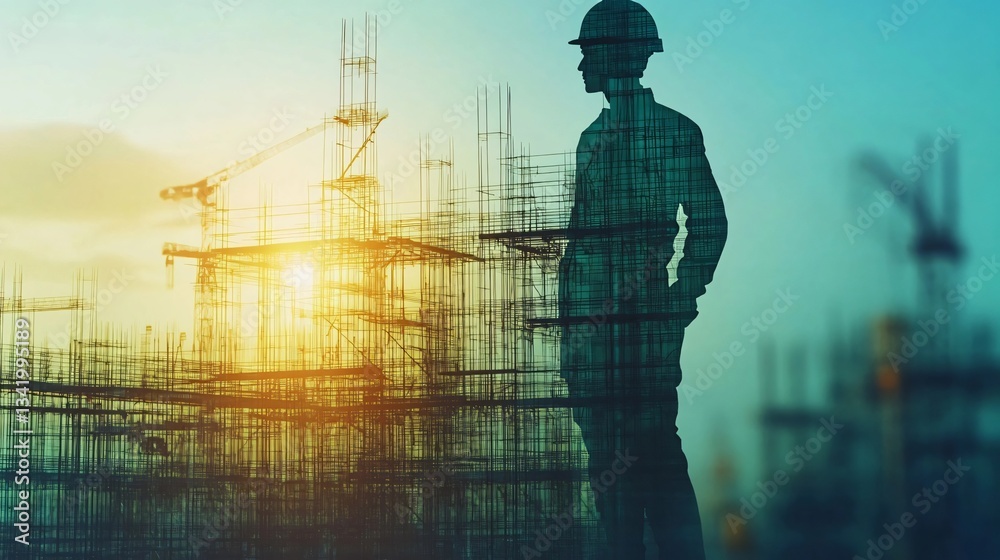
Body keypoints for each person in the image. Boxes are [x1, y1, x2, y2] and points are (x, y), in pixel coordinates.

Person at [557, 1, 728, 558]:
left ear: (616, 54)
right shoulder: (591, 138)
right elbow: (580, 239)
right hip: (590, 329)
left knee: (654, 452)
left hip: (642, 323)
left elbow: (709, 221)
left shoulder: (674, 131)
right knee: (607, 466)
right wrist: (571, 331)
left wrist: (679, 299)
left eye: (589, 54)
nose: (581, 65)